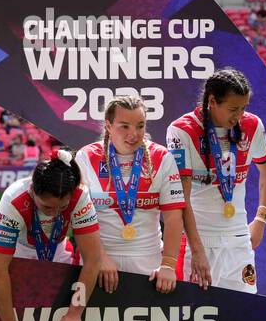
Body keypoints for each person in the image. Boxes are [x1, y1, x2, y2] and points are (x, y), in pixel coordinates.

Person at [0, 151, 103, 321]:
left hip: (58, 248)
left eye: (62, 207)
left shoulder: (80, 195)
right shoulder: (14, 199)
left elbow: (93, 259)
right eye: (47, 206)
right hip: (19, 252)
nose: (55, 212)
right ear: (33, 191)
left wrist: (75, 312)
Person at [167, 68, 266, 293]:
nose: (239, 116)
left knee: (245, 315)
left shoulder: (252, 125)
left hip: (238, 241)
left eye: (244, 108)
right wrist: (197, 250)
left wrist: (261, 219)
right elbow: (180, 197)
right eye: (234, 109)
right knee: (197, 318)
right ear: (212, 101)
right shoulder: (182, 130)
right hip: (198, 240)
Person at [77, 95, 185, 294]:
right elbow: (78, 218)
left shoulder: (162, 157)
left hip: (148, 260)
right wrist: (98, 257)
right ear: (108, 126)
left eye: (140, 126)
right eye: (124, 126)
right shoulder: (86, 156)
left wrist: (168, 265)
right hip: (99, 261)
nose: (134, 134)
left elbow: (173, 217)